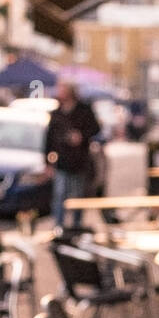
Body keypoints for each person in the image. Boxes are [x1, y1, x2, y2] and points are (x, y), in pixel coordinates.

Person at [44, 81, 100, 229]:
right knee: (60, 195)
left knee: (77, 196)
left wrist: (81, 136)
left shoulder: (84, 110)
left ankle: (75, 225)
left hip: (79, 161)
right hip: (62, 161)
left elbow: (95, 128)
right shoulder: (57, 113)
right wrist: (48, 162)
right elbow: (49, 138)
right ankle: (59, 226)